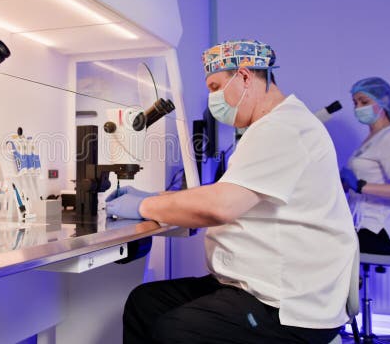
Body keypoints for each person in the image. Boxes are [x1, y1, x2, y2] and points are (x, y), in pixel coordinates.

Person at [106, 39, 357, 344]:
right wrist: (155, 199)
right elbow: (225, 191)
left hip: (287, 303)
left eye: (215, 87)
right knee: (145, 303)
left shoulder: (283, 128)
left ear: (245, 76)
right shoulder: (270, 127)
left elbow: (221, 205)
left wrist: (143, 207)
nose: (214, 99)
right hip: (253, 285)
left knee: (174, 331)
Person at [340, 77, 390, 256]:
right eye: (355, 103)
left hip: (381, 231)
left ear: (384, 102)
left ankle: (351, 283)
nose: (358, 107)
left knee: (322, 245)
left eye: (364, 101)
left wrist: (359, 186)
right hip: (363, 225)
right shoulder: (372, 139)